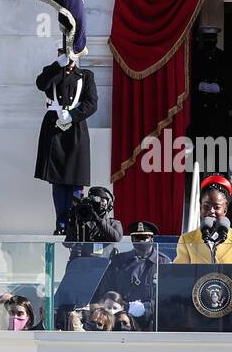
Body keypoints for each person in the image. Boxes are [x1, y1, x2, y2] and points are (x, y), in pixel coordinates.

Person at [35, 47, 98, 235]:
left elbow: (91, 102)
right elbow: (41, 83)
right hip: (54, 128)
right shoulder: (52, 72)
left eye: (69, 55)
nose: (67, 58)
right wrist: (58, 66)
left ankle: (76, 222)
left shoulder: (85, 75)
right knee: (58, 180)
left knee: (75, 179)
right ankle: (61, 223)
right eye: (62, 55)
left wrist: (72, 115)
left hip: (75, 129)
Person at [188, 25, 232, 177]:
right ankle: (197, 197)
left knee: (220, 166)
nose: (209, 42)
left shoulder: (226, 60)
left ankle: (221, 197)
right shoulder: (193, 60)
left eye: (212, 39)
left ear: (216, 40)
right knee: (196, 166)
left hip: (220, 122)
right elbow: (183, 86)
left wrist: (221, 88)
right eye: (206, 39)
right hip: (199, 121)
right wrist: (197, 86)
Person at [94, 220, 169, 329]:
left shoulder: (163, 262)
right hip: (122, 320)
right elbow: (107, 290)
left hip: (152, 322)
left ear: (151, 239)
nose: (141, 241)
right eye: (137, 238)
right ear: (132, 239)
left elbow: (167, 297)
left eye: (144, 238)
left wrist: (146, 308)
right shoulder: (119, 261)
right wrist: (123, 306)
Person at [175, 175, 232, 264]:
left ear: (225, 210)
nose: (211, 211)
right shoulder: (186, 240)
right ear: (200, 208)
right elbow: (178, 273)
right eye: (206, 206)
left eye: (216, 207)